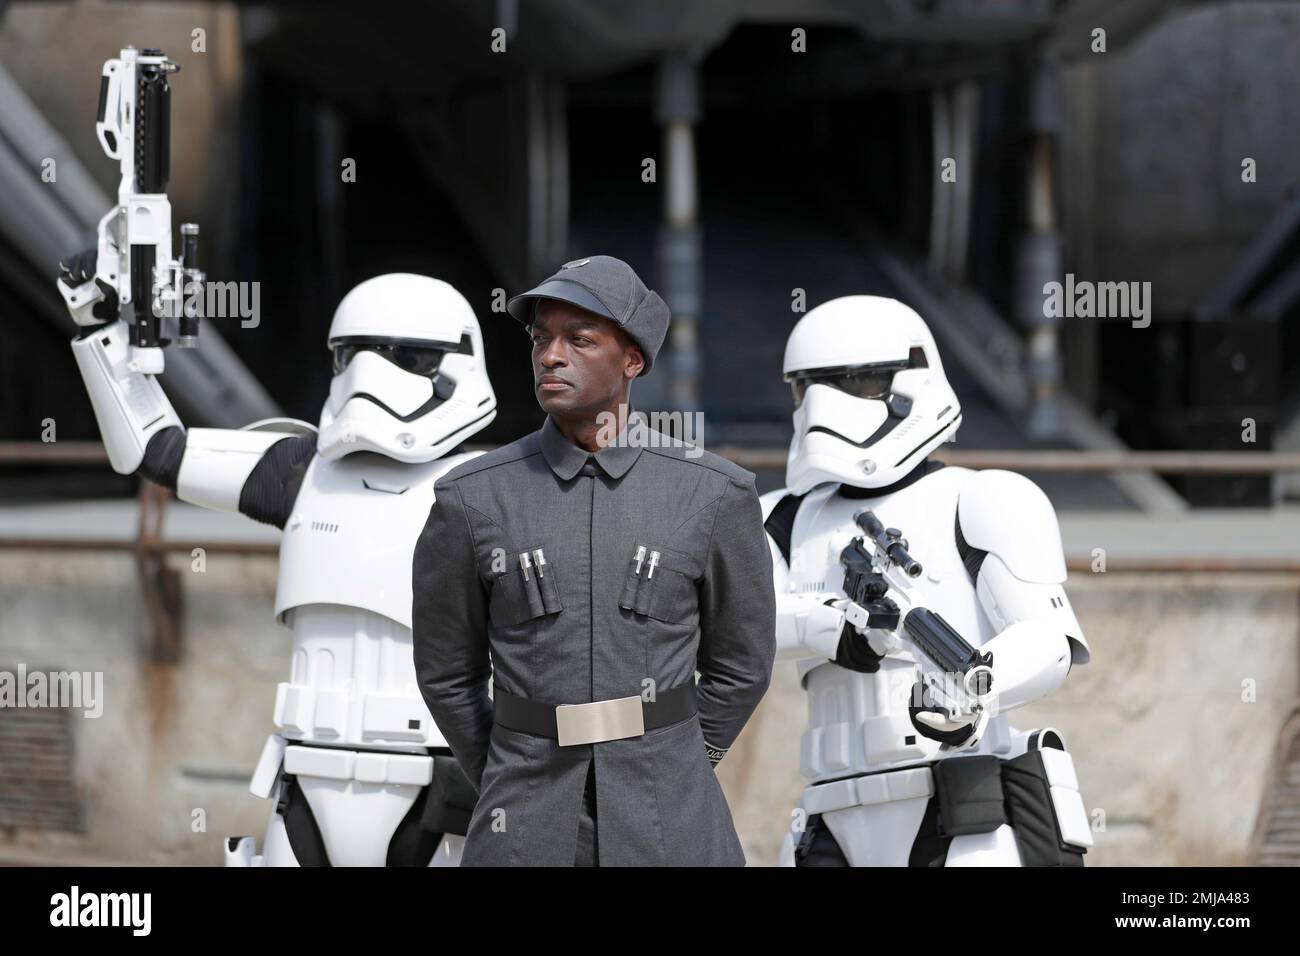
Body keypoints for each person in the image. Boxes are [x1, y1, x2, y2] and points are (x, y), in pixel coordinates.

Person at [57, 260, 494, 866]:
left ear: (455, 365)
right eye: (352, 354)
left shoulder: (489, 488)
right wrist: (101, 327)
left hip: (437, 782)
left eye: (403, 355)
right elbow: (154, 447)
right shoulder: (299, 469)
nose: (371, 375)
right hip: (303, 773)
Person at [412, 254, 776, 865]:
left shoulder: (715, 494)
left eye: (579, 340)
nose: (551, 356)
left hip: (671, 821)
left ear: (632, 359)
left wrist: (679, 758)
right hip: (522, 823)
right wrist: (508, 769)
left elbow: (742, 667)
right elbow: (447, 674)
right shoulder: (471, 498)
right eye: (541, 339)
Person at [762, 295, 1094, 866]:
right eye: (806, 385)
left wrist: (976, 684)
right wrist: (826, 623)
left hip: (961, 803)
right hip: (831, 814)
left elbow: (1049, 642)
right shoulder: (781, 520)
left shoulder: (982, 497)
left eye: (853, 381)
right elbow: (735, 632)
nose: (822, 404)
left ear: (908, 383)